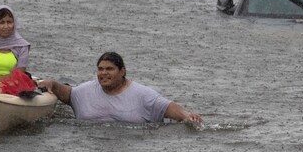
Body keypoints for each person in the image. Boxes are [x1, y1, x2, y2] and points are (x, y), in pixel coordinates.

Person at [37, 51, 202, 124]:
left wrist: (187, 116)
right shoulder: (84, 91)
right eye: (100, 69)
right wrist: (51, 83)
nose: (103, 73)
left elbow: (167, 106)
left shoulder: (142, 94)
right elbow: (66, 93)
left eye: (109, 69)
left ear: (122, 71)